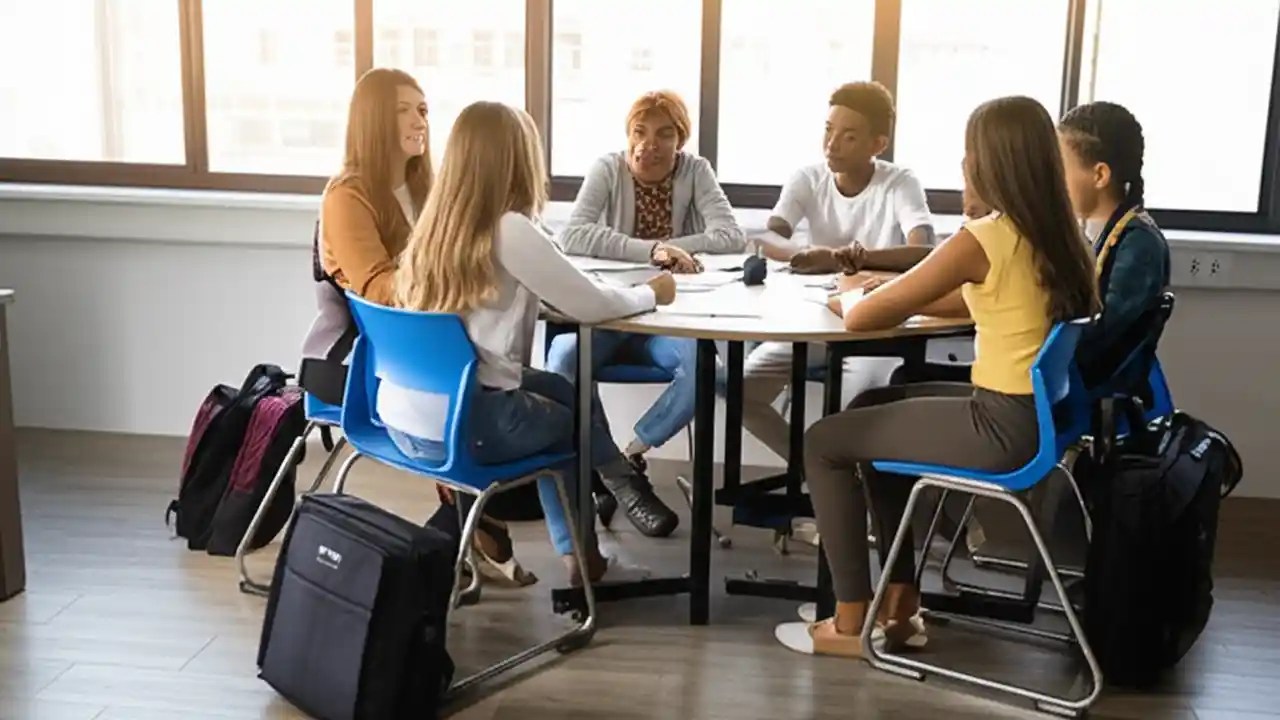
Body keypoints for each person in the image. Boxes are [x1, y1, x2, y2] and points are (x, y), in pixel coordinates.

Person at [774, 95, 1100, 658]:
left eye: (969, 155)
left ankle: (850, 622)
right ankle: (899, 604)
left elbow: (868, 317)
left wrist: (853, 294)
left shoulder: (987, 236)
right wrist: (885, 294)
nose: (963, 166)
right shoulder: (1058, 234)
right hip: (1033, 416)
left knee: (824, 441)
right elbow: (984, 302)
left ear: (989, 163)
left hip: (998, 425)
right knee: (871, 405)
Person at [379, 100, 678, 585]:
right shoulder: (508, 228)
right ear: (519, 160)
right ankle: (586, 560)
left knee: (563, 390)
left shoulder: (436, 225)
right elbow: (590, 305)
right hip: (469, 424)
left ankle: (617, 479)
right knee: (574, 424)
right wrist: (652, 292)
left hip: (406, 421)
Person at [312, 68, 529, 587]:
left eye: (424, 109)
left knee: (519, 387)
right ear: (370, 121)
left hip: (425, 360)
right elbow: (378, 288)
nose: (420, 120)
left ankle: (463, 542)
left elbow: (459, 263)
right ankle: (446, 554)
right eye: (403, 110)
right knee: (509, 403)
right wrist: (456, 279)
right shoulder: (348, 195)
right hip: (361, 365)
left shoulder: (425, 188)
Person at [546, 90, 747, 538]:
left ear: (681, 141)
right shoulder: (608, 168)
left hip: (667, 316)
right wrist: (654, 251)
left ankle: (627, 457)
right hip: (610, 311)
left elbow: (732, 237)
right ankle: (617, 476)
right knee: (561, 360)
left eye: (663, 135)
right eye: (639, 132)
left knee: (704, 369)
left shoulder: (696, 172)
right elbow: (573, 235)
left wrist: (679, 249)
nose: (648, 145)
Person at [735, 80, 965, 463]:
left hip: (874, 330)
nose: (832, 144)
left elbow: (924, 251)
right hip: (814, 325)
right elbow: (770, 238)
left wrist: (859, 259)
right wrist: (813, 253)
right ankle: (814, 468)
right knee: (739, 392)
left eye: (849, 137)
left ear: (878, 144)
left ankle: (844, 485)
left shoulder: (899, 182)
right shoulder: (808, 177)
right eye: (828, 131)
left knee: (852, 422)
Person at [1058, 101, 1171, 390]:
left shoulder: (1140, 243)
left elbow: (1100, 334)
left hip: (1092, 390)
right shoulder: (1099, 233)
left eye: (1061, 169)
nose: (1055, 181)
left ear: (1100, 175)